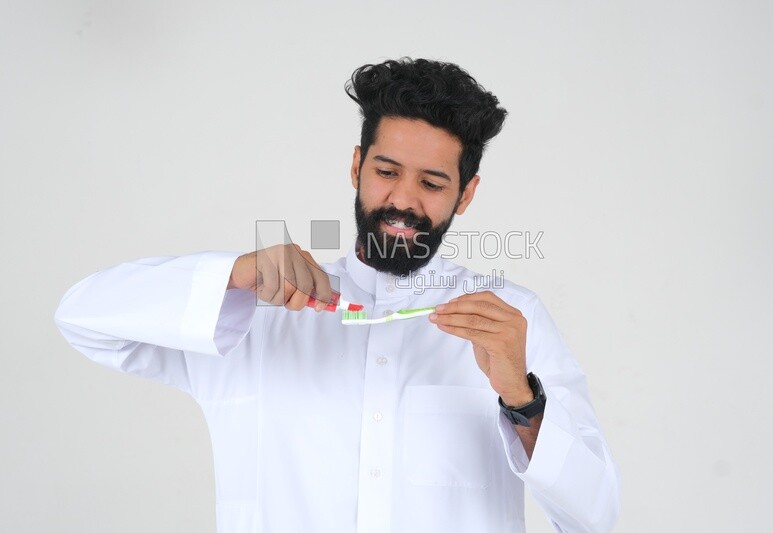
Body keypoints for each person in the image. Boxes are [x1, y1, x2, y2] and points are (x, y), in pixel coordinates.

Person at [55, 58, 620, 533]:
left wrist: (522, 400)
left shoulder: (511, 322)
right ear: (356, 166)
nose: (402, 200)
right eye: (386, 170)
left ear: (466, 194)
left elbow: (593, 516)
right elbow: (82, 317)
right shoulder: (255, 313)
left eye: (431, 182)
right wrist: (228, 275)